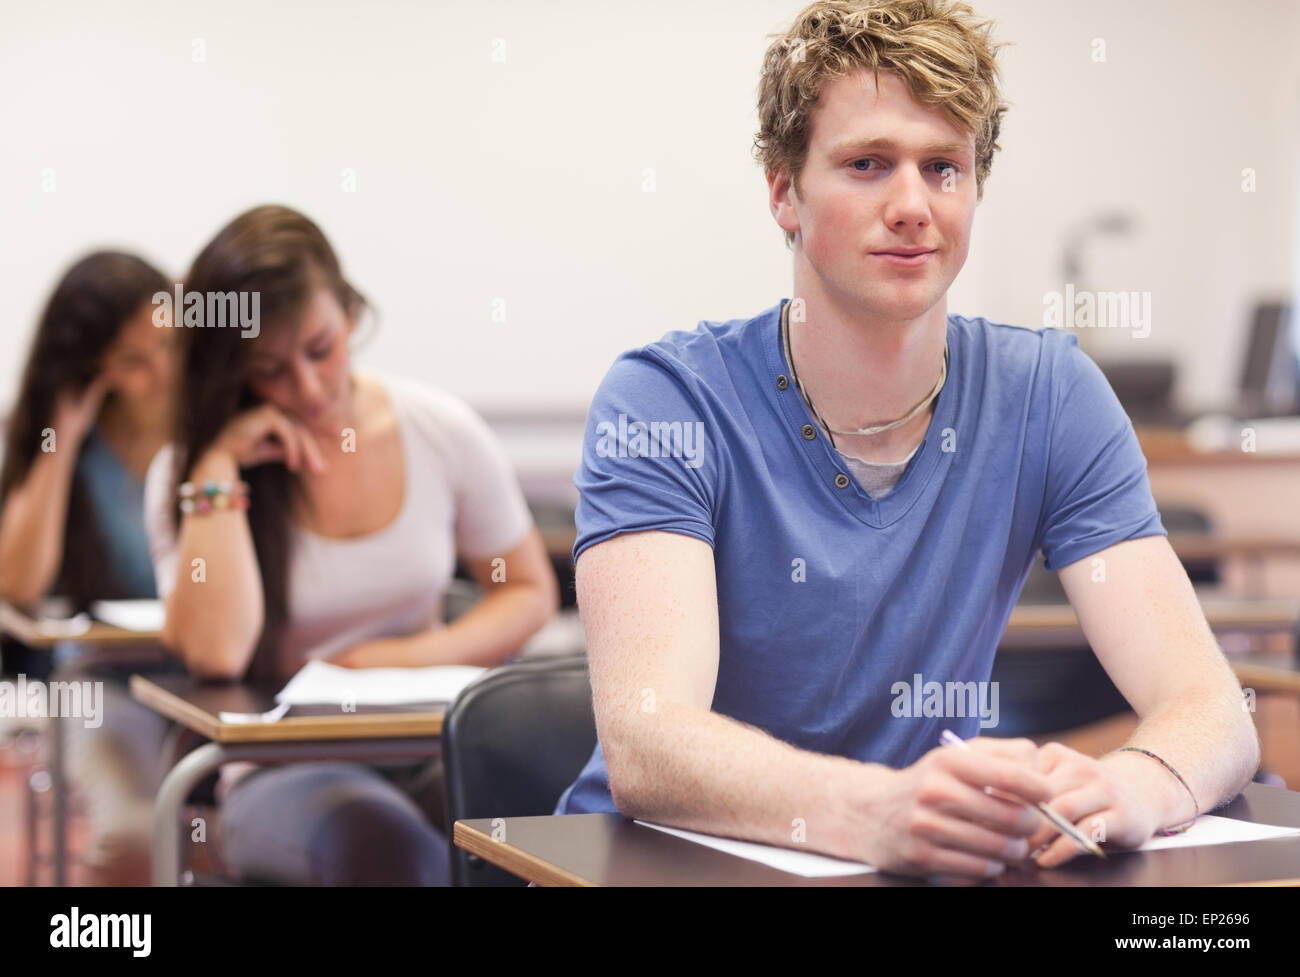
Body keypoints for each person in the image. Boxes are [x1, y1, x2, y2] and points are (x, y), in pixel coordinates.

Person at [553, 0, 1259, 879]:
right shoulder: (665, 402)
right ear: (784, 191)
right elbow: (650, 746)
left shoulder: (1050, 394)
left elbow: (1212, 706)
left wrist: (1140, 785)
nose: (913, 205)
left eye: (943, 168)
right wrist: (878, 809)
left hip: (903, 863)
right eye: (867, 164)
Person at [144, 204, 558, 884]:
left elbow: (525, 590)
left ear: (349, 309)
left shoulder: (436, 429)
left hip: (433, 744)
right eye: (270, 369)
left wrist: (393, 659)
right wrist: (218, 466)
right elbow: (216, 651)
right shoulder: (191, 479)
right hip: (282, 770)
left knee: (550, 834)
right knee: (390, 854)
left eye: (320, 349)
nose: (307, 389)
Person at [0, 251, 179, 884]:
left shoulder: (214, 423)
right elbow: (17, 585)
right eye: (133, 360)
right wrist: (62, 432)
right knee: (131, 837)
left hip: (221, 682)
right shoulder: (68, 442)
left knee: (222, 830)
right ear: (90, 368)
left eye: (168, 341)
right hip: (109, 687)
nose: (162, 371)